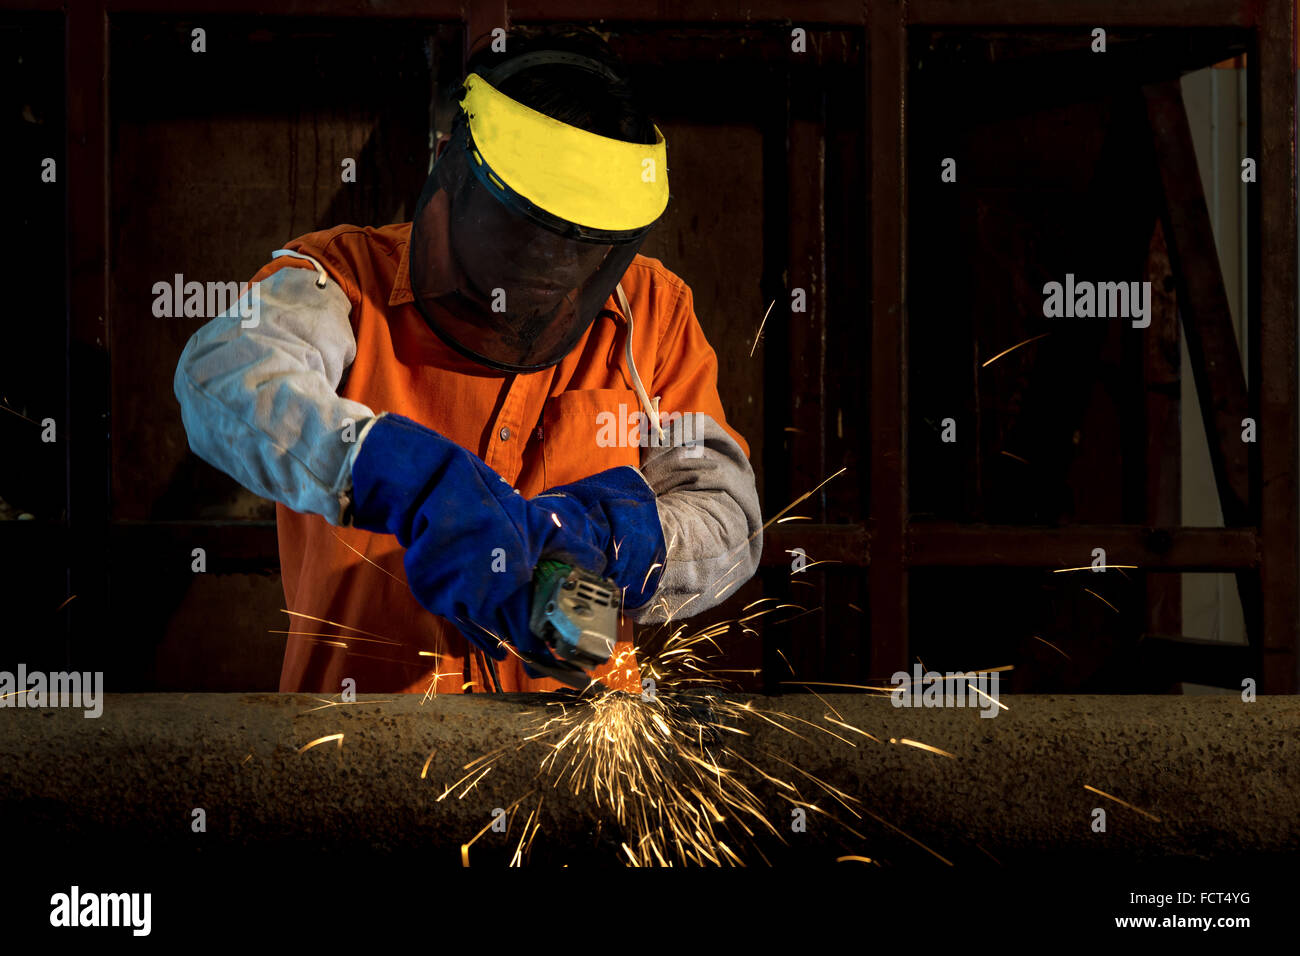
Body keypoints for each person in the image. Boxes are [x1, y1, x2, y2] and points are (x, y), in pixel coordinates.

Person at [174, 30, 762, 695]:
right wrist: (405, 479)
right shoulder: (337, 280)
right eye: (524, 234)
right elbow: (221, 374)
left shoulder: (654, 311)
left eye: (576, 247)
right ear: (452, 166)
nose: (545, 266)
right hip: (356, 743)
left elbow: (729, 519)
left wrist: (617, 536)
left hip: (580, 752)